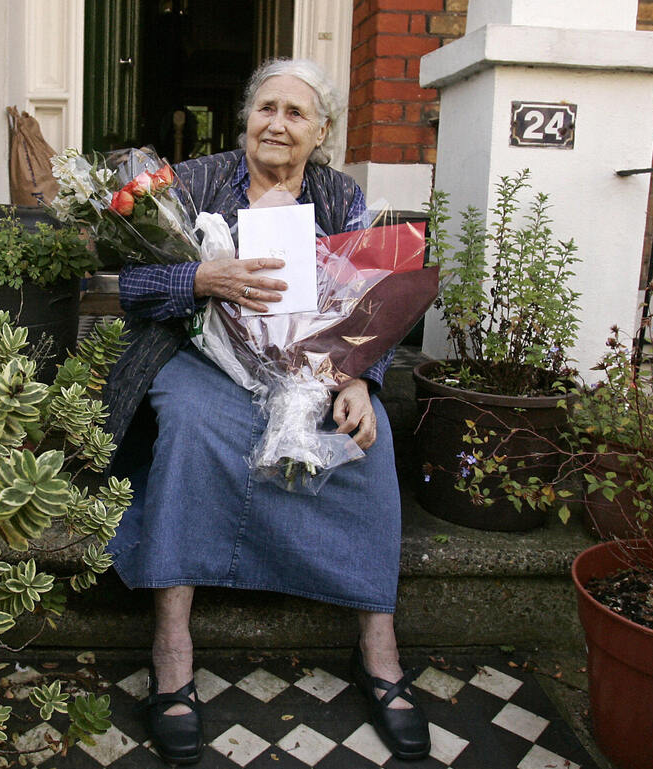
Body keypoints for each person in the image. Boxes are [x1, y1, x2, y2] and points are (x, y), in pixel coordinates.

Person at [102, 58, 429, 765]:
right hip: (197, 360)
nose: (277, 123)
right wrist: (198, 277)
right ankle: (173, 647)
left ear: (321, 132)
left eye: (296, 113)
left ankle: (379, 646)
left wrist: (359, 380)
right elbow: (130, 284)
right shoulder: (192, 182)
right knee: (190, 425)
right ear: (247, 118)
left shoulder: (340, 194)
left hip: (307, 368)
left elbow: (371, 300)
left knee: (367, 441)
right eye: (266, 108)